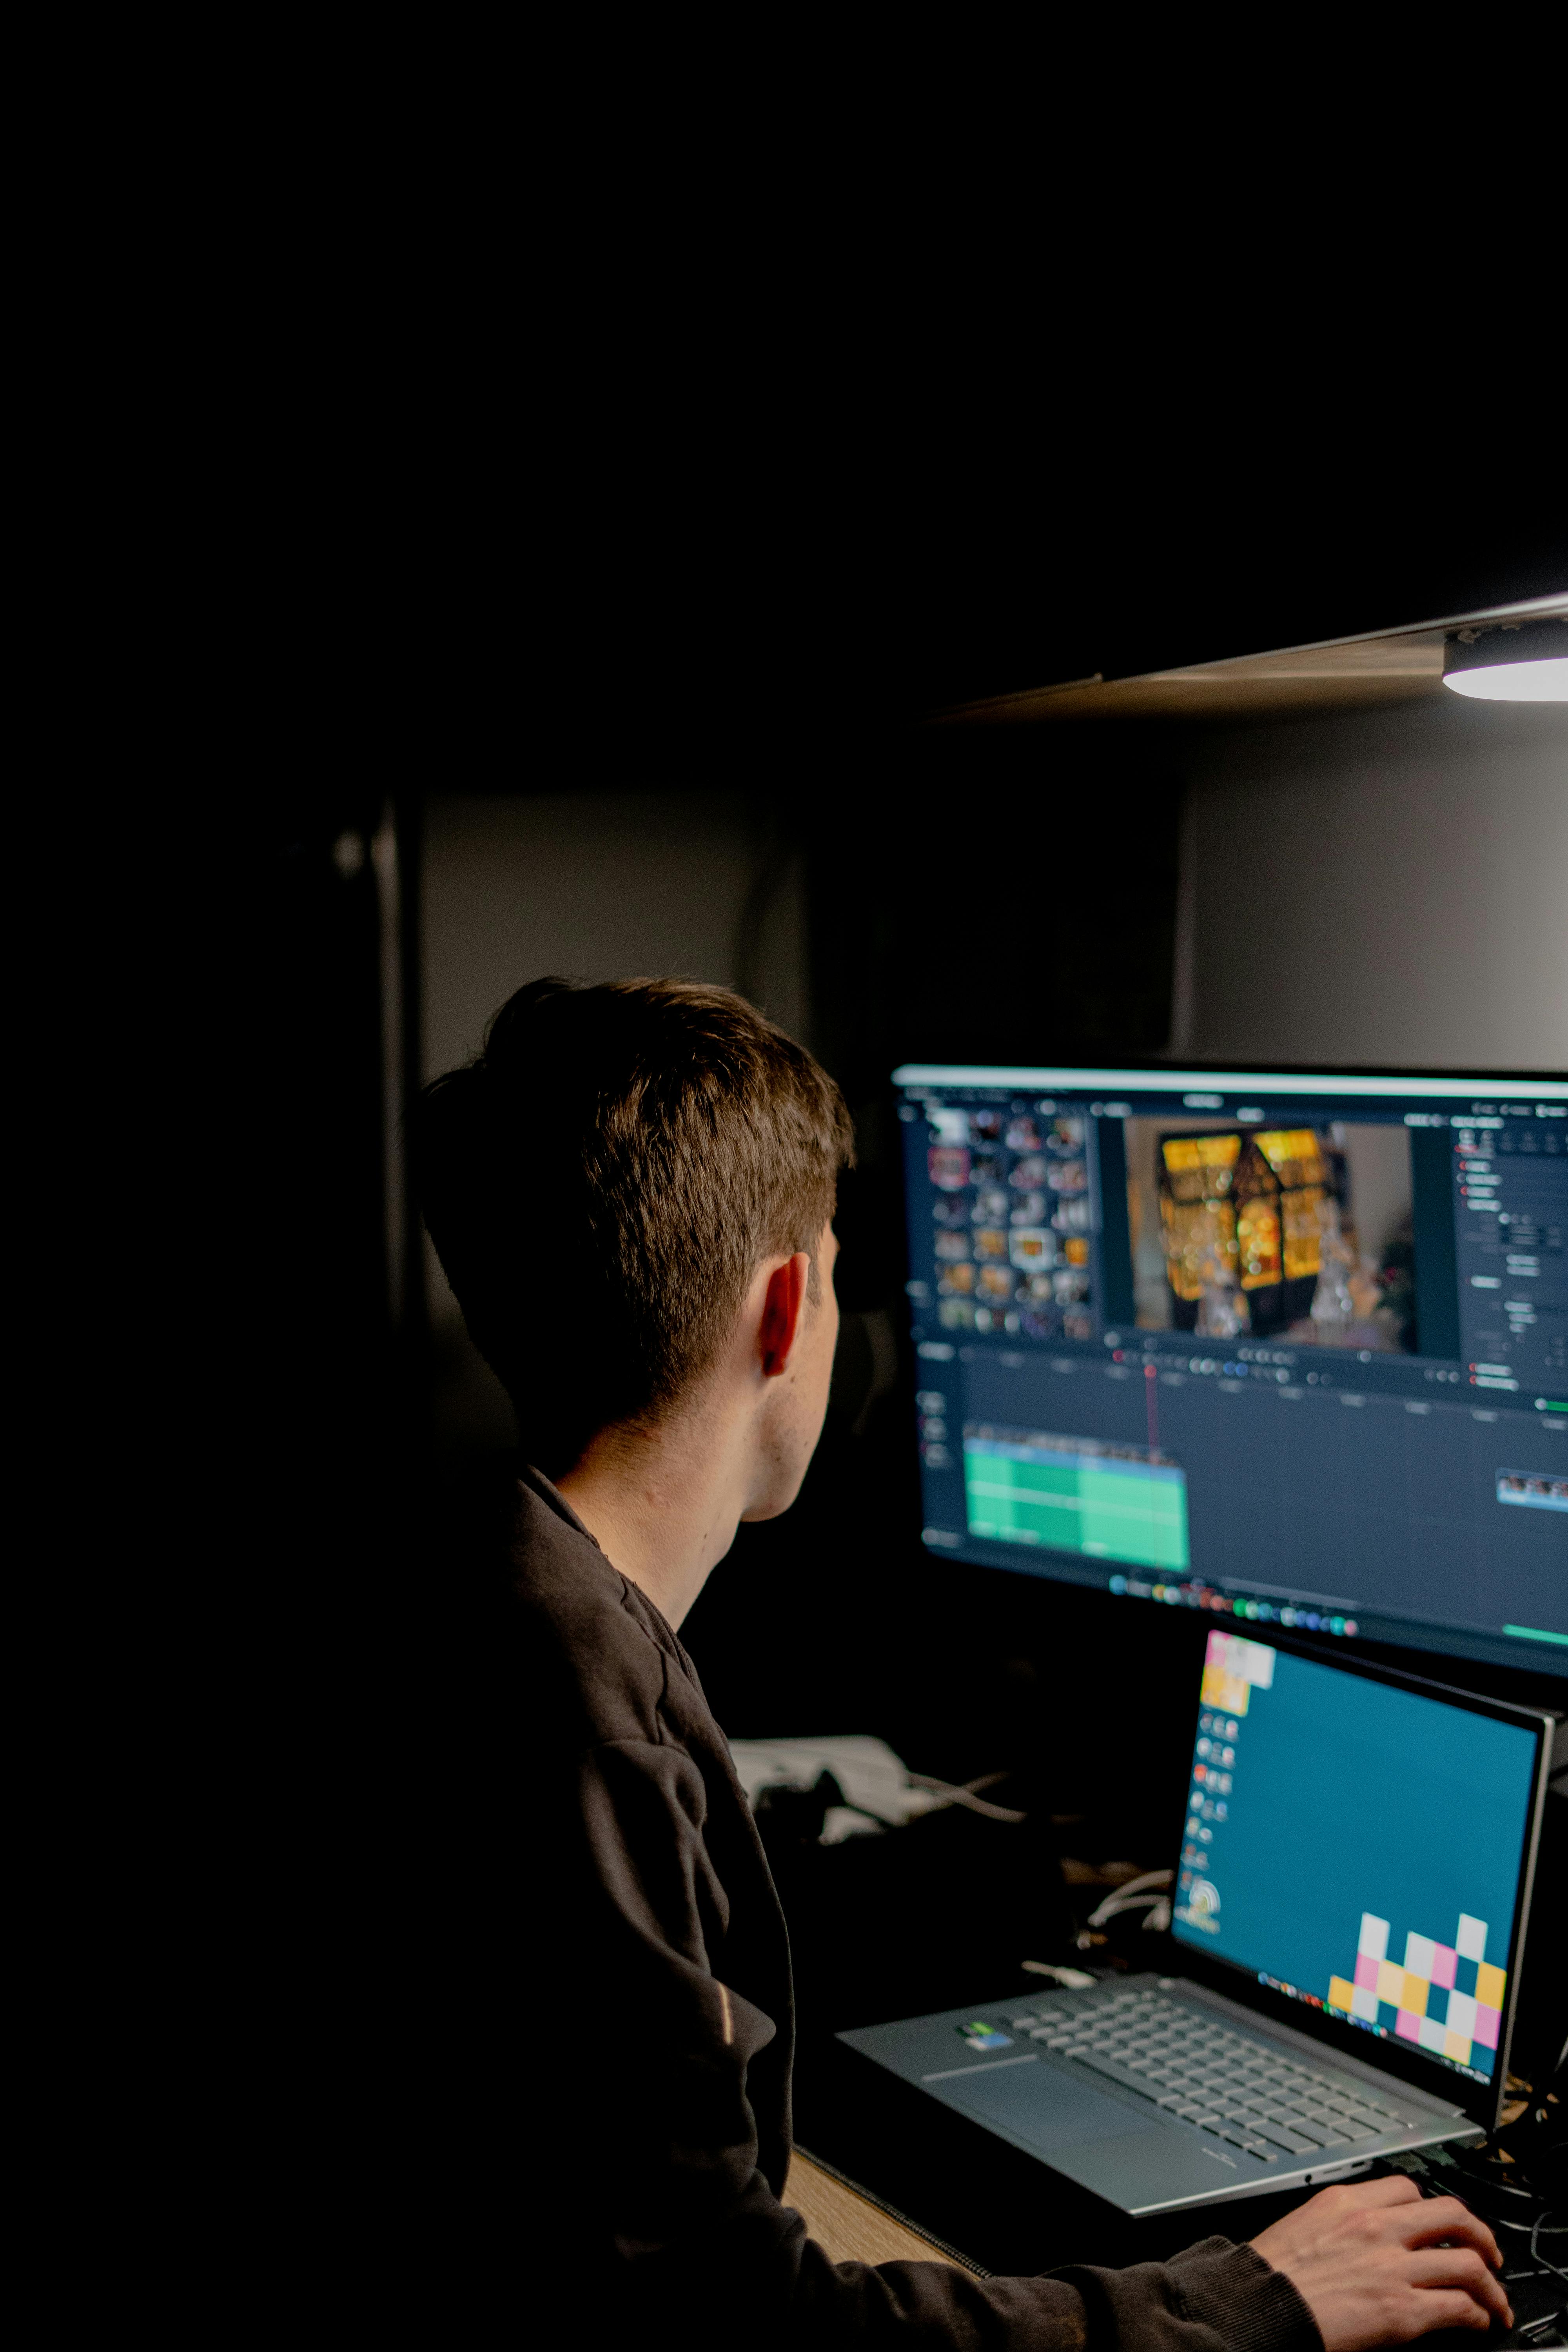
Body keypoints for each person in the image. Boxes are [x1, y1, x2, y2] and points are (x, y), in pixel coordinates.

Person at [410, 976, 1512, 2348]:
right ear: (786, 1307)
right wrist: (1246, 2301)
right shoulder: (580, 1731)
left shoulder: (504, 1604)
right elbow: (744, 2326)